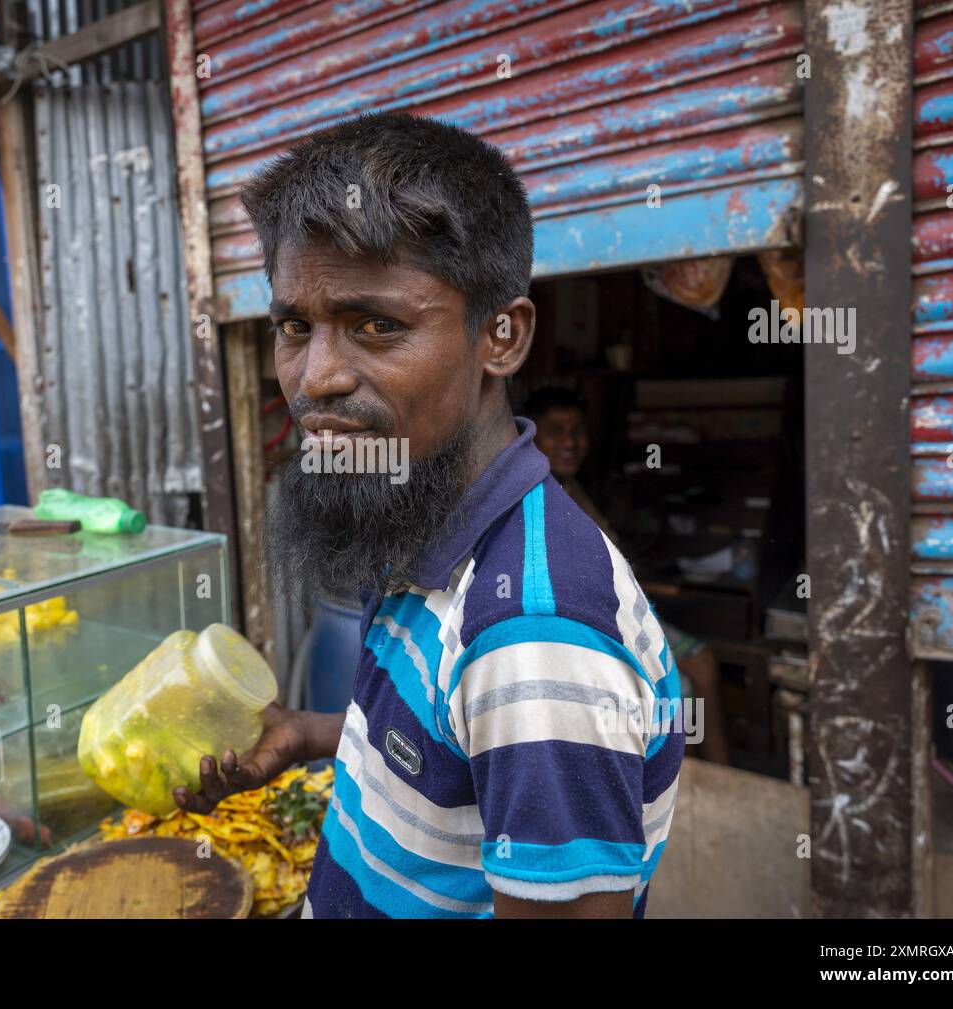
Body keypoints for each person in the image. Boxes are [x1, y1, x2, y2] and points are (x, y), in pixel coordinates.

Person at [174, 112, 683, 919]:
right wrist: (310, 734)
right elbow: (463, 739)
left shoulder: (532, 637)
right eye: (294, 327)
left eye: (377, 325)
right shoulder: (429, 516)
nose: (316, 379)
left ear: (502, 337)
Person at [526, 386, 730, 765]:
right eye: (556, 430)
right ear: (531, 434)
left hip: (619, 611)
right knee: (688, 681)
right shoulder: (537, 496)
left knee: (701, 663)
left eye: (577, 430)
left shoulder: (571, 487)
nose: (570, 441)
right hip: (596, 623)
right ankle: (695, 788)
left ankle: (719, 780)